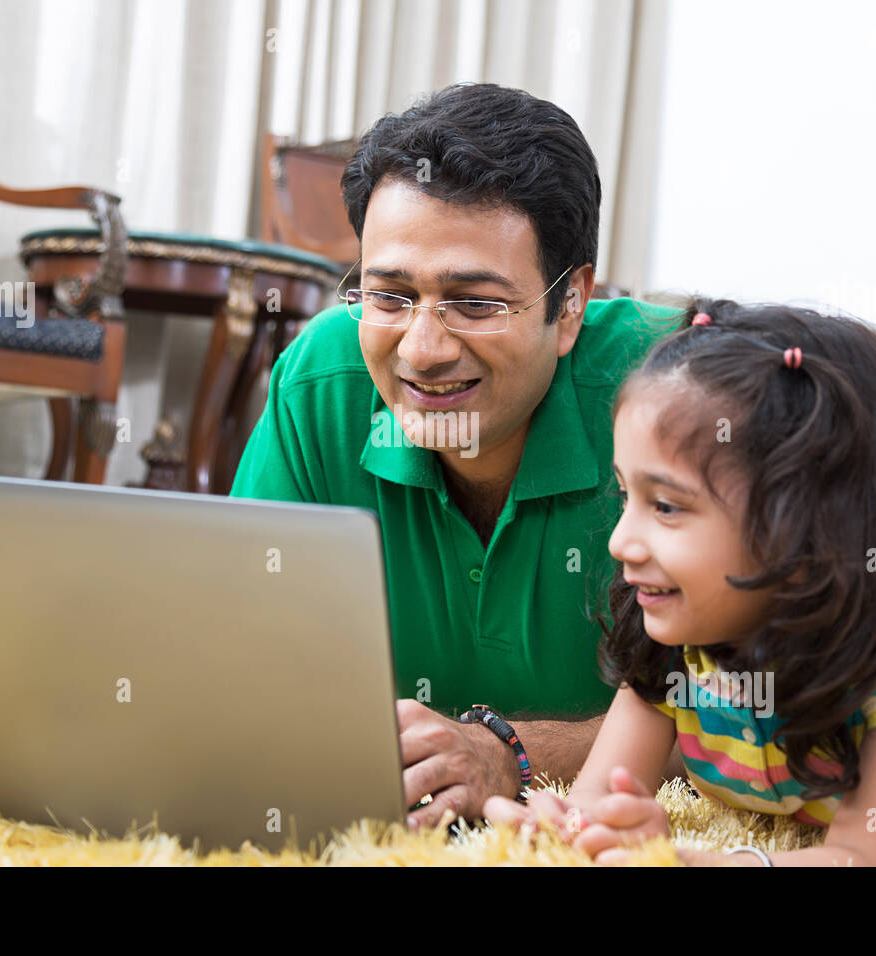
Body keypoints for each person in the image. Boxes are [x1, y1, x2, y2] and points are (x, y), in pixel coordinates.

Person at [230, 82, 685, 829]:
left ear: (570, 305)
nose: (422, 351)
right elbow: (234, 656)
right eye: (389, 296)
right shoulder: (322, 383)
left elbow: (761, 726)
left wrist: (510, 752)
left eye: (475, 303)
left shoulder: (681, 399)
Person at [484, 298, 876, 865]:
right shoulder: (678, 624)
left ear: (806, 523)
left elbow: (863, 856)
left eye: (665, 505)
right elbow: (601, 797)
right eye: (625, 493)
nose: (619, 542)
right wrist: (572, 828)